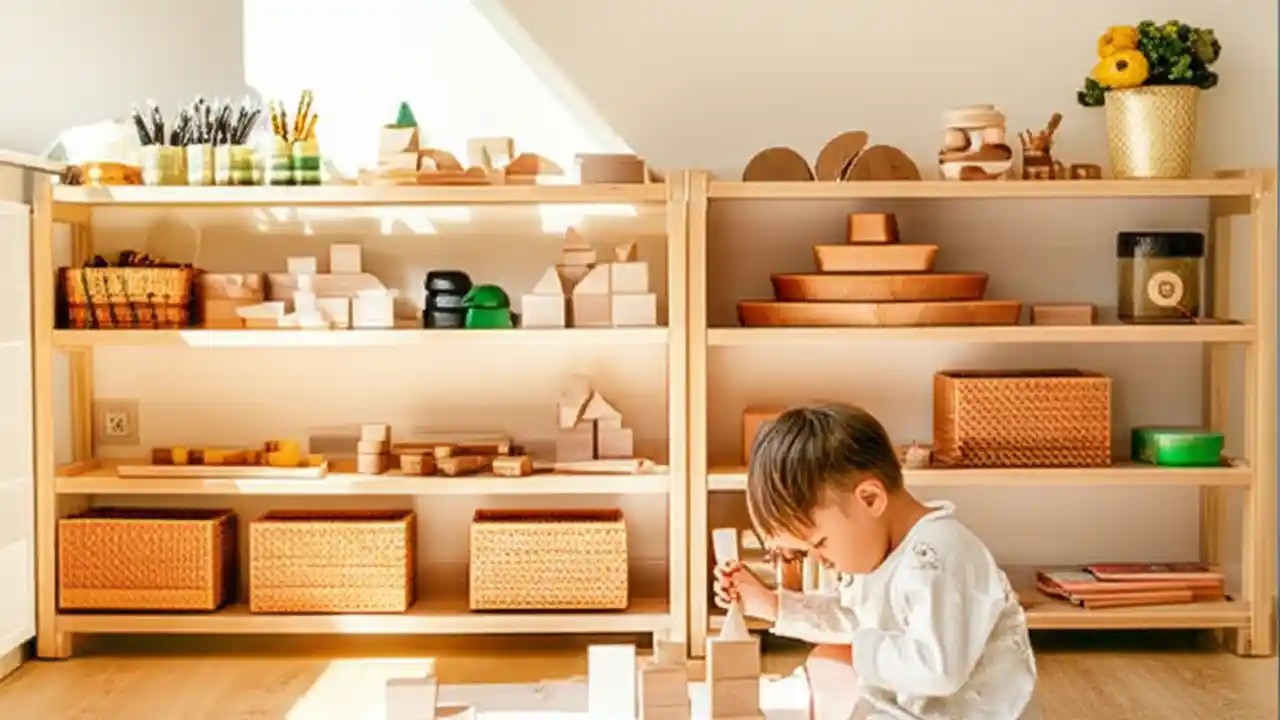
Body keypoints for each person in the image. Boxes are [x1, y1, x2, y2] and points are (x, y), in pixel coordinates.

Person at [714, 403, 1038, 719]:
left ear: (870, 499)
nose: (821, 562)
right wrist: (773, 605)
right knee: (827, 663)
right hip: (911, 704)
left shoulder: (937, 557)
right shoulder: (878, 551)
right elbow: (853, 616)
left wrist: (858, 652)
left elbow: (939, 670)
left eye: (820, 544)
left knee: (836, 662)